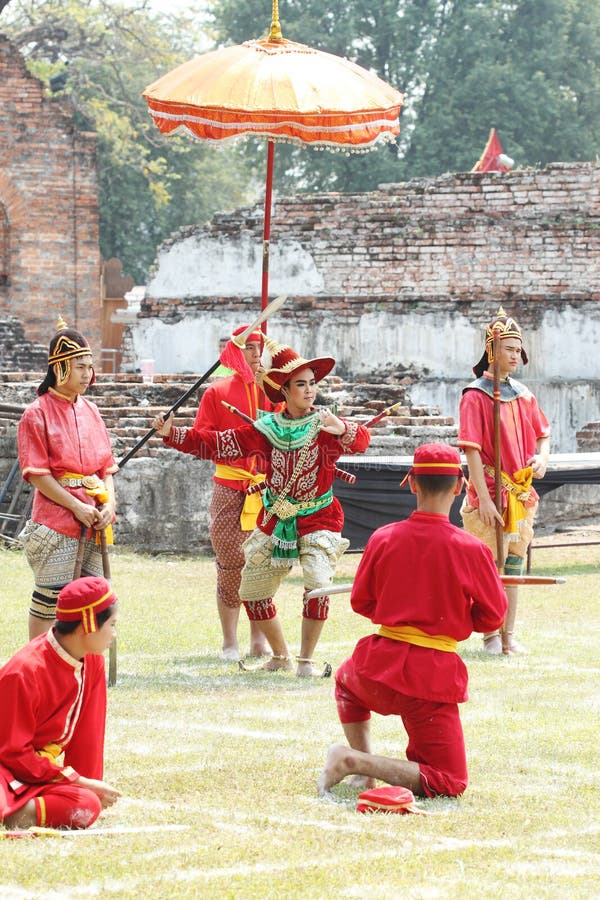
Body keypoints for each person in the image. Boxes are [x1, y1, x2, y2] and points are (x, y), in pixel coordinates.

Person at [153, 338, 371, 677]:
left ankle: (306, 661)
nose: (310, 390)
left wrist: (343, 428)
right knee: (251, 589)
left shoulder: (326, 424)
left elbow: (360, 442)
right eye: (301, 384)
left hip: (319, 518)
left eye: (313, 383)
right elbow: (220, 445)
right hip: (276, 518)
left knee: (317, 583)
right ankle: (281, 656)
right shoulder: (266, 429)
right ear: (284, 390)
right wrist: (173, 434)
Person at [317, 443, 507, 799]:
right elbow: (492, 618)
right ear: (459, 486)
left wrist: (401, 610)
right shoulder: (472, 549)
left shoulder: (383, 538)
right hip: (431, 680)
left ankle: (361, 763)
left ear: (412, 483)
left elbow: (362, 602)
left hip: (377, 667)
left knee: (345, 681)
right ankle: (358, 763)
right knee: (449, 781)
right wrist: (454, 613)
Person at [17, 317, 118, 640]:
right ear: (60, 367)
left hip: (95, 519)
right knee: (51, 600)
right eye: (80, 367)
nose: (88, 374)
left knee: (96, 600)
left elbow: (106, 469)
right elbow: (38, 474)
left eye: (90, 366)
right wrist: (76, 507)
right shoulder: (36, 413)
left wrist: (109, 505)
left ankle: (84, 666)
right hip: (55, 521)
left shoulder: (91, 410)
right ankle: (38, 666)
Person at [457, 307, 550, 654]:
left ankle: (509, 636)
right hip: (491, 493)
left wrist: (542, 458)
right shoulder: (475, 395)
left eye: (517, 349)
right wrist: (482, 497)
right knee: (489, 567)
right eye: (508, 348)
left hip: (521, 494)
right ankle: (490, 635)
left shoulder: (524, 394)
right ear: (492, 351)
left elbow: (543, 434)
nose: (514, 355)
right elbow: (472, 452)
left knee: (513, 565)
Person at [0, 576, 121, 830]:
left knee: (87, 804)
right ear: (87, 625)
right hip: (7, 766)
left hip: (38, 772)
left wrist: (88, 785)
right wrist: (78, 782)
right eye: (111, 624)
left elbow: (89, 735)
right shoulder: (23, 672)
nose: (114, 634)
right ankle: (14, 812)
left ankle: (21, 811)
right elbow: (11, 752)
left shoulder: (92, 661)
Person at [195, 324, 279, 661]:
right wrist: (236, 446)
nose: (256, 354)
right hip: (230, 487)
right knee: (231, 565)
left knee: (262, 565)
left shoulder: (273, 393)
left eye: (259, 347)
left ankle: (259, 638)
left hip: (267, 490)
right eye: (249, 347)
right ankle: (230, 640)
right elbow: (202, 438)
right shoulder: (216, 393)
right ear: (235, 352)